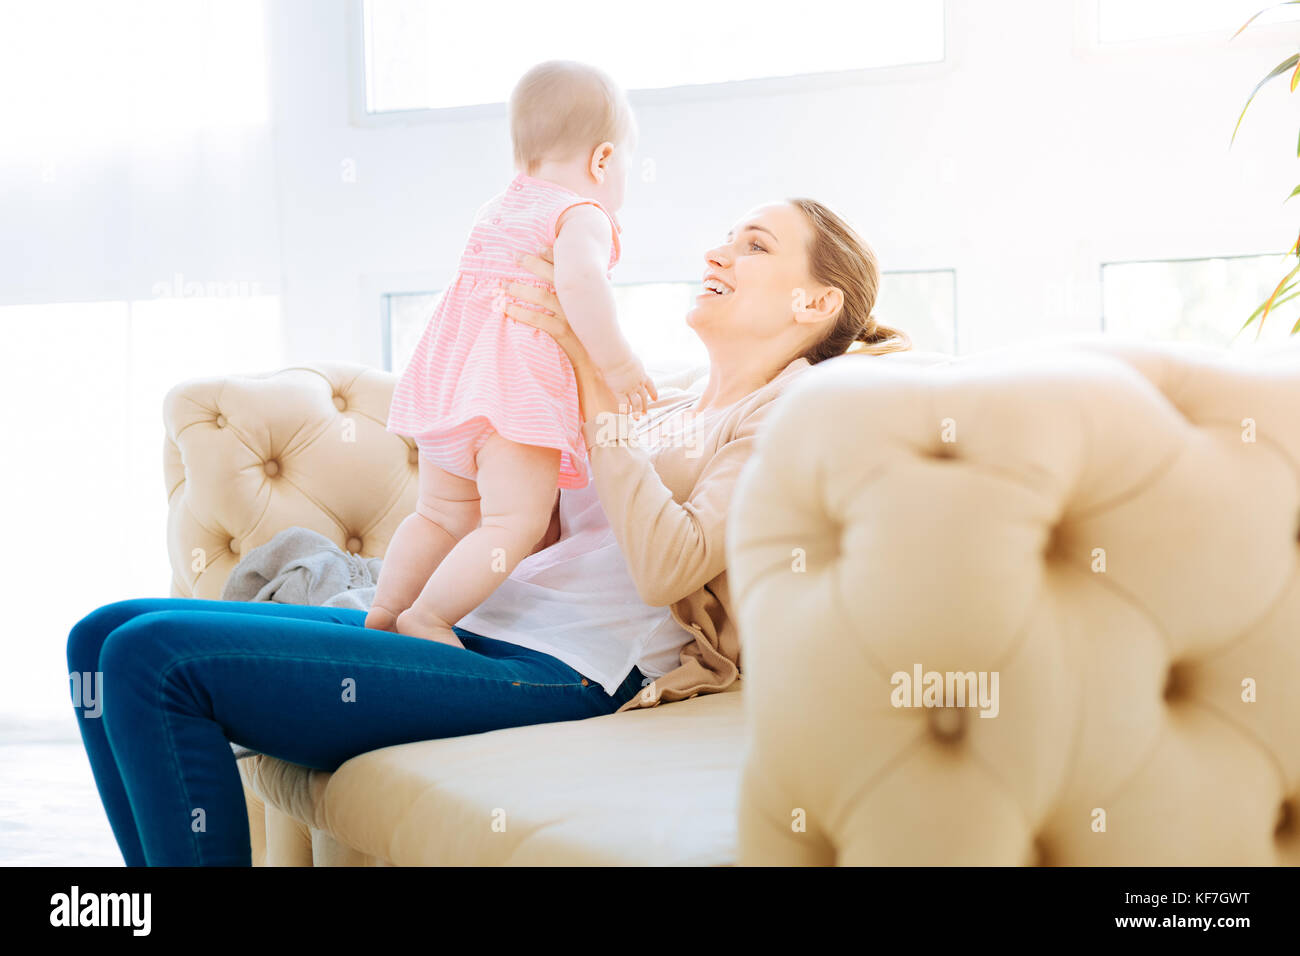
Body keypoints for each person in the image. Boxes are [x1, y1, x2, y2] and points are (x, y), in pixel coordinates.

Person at [65, 198, 911, 866]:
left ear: (818, 301)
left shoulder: (794, 406)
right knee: (100, 635)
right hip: (489, 625)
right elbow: (542, 532)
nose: (717, 253)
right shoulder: (675, 404)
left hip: (565, 669)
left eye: (755, 244)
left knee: (154, 659)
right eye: (726, 236)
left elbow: (670, 566)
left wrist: (589, 385)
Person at [371, 60, 657, 646]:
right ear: (603, 159)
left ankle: (386, 610)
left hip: (450, 385)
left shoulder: (494, 209)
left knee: (439, 516)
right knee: (513, 522)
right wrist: (619, 364)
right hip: (514, 395)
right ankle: (427, 618)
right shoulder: (582, 214)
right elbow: (581, 284)